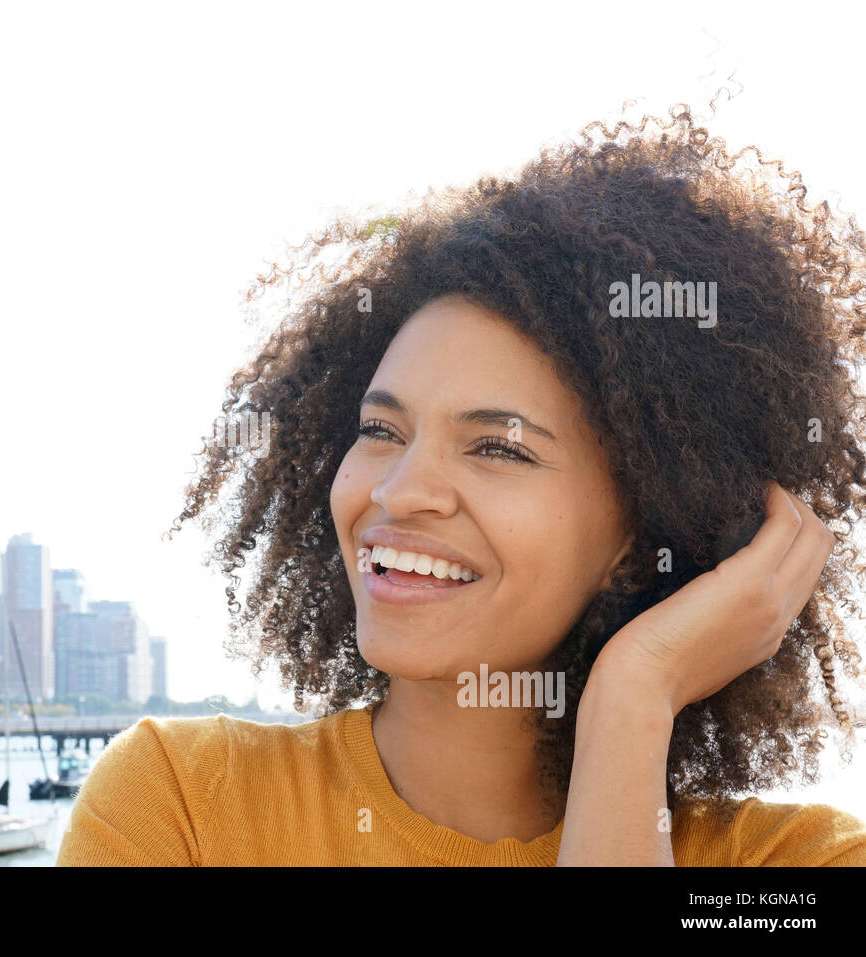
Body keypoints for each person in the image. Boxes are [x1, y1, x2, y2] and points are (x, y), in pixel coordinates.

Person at [54, 102, 866, 866]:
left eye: (498, 448)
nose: (402, 490)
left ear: (636, 538)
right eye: (380, 431)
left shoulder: (794, 867)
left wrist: (635, 698)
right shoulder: (181, 805)